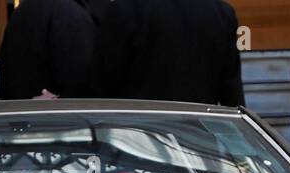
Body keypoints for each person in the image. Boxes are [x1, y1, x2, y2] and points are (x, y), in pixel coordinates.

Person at [91, 0, 244, 106]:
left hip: (134, 138)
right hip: (198, 140)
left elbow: (100, 85)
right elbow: (232, 95)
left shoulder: (124, 9)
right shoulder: (222, 13)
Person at [0, 0, 106, 100]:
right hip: (57, 113)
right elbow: (80, 81)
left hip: (19, 111)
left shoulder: (23, 8)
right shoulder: (69, 12)